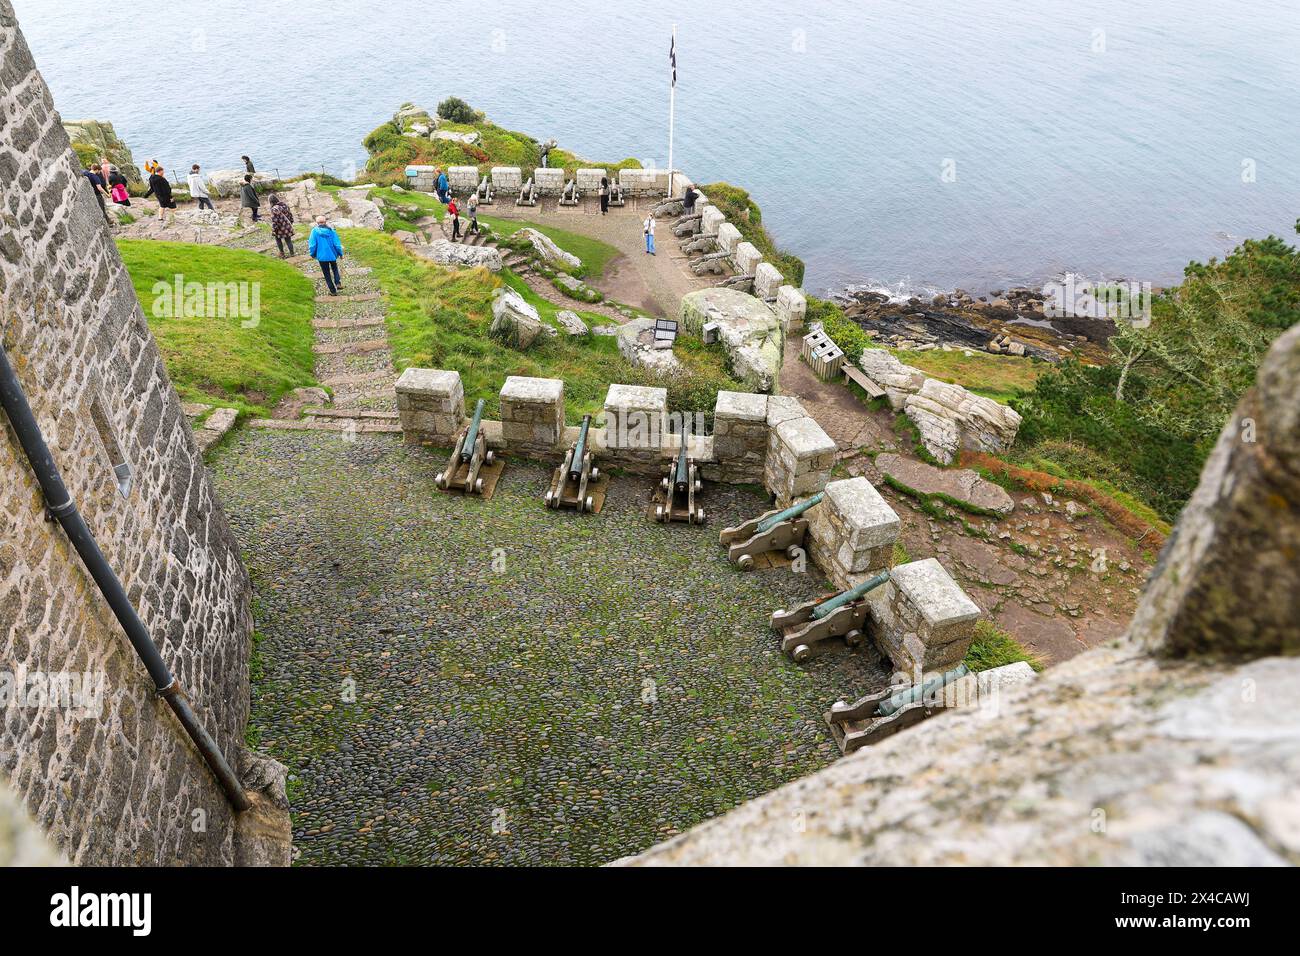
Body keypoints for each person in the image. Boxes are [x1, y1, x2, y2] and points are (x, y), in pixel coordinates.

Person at [309, 215, 344, 295]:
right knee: (335, 268)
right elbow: (337, 244)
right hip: (332, 255)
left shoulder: (314, 231)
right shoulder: (332, 231)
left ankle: (333, 291)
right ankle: (338, 282)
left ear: (317, 223)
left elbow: (312, 245)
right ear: (325, 222)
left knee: (326, 274)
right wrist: (340, 254)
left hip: (321, 257)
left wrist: (312, 254)